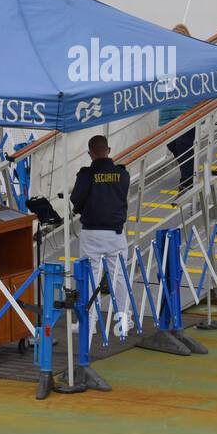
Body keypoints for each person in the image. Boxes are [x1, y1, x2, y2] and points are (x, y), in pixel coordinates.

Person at [70, 135, 131, 337]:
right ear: (109, 150)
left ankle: (88, 323)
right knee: (119, 277)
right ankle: (123, 321)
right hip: (116, 233)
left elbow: (75, 200)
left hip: (92, 233)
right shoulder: (122, 174)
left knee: (90, 278)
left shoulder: (86, 175)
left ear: (90, 153)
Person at [160, 23, 197, 193]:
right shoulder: (166, 59)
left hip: (186, 109)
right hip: (168, 111)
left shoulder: (192, 58)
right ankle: (188, 173)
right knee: (172, 144)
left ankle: (187, 181)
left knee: (183, 143)